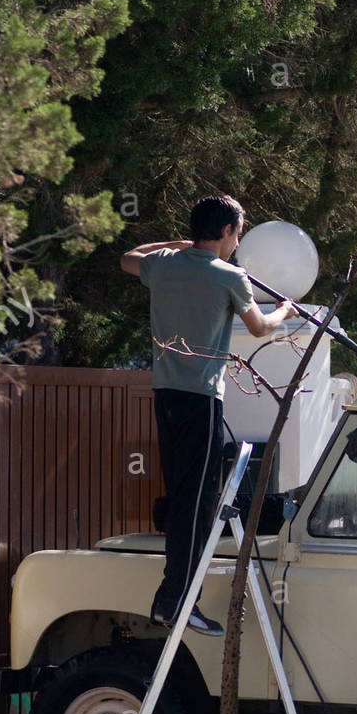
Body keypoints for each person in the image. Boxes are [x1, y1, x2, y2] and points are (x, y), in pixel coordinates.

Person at [121, 194, 297, 636]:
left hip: (166, 397)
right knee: (196, 506)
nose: (237, 242)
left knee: (188, 496)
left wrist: (180, 245)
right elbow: (258, 328)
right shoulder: (230, 277)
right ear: (225, 232)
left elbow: (128, 258)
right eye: (237, 232)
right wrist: (283, 313)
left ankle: (174, 597)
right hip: (201, 399)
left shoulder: (163, 265)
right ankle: (177, 601)